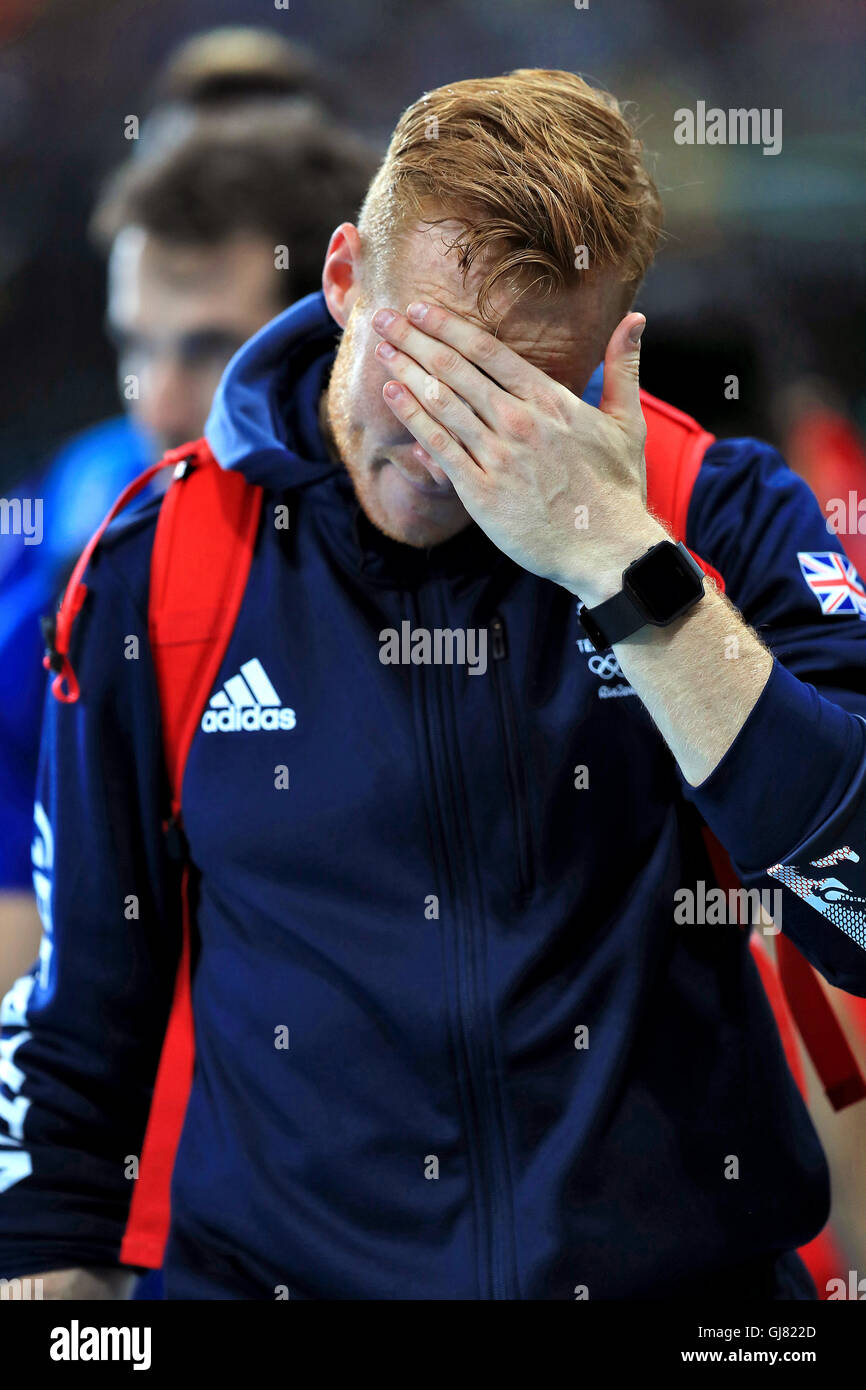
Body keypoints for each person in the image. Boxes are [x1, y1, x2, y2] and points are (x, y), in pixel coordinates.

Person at [2, 68, 865, 1301]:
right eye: (434, 362)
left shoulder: (714, 512)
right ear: (345, 279)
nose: (460, 439)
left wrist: (621, 569)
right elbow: (75, 1040)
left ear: (608, 348)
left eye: (523, 390)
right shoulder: (159, 569)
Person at [0, 82, 379, 992]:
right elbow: (23, 931)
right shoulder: (59, 565)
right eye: (135, 346)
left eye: (210, 349)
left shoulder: (509, 546)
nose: (157, 403)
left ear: (343, 323)